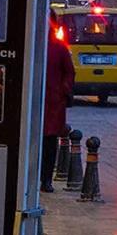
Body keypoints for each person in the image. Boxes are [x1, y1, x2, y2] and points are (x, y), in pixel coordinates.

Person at [42, 13, 74, 192]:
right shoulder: (31, 45)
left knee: (49, 143)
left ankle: (46, 179)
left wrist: (63, 89)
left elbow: (69, 72)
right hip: (34, 103)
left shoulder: (59, 48)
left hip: (53, 103)